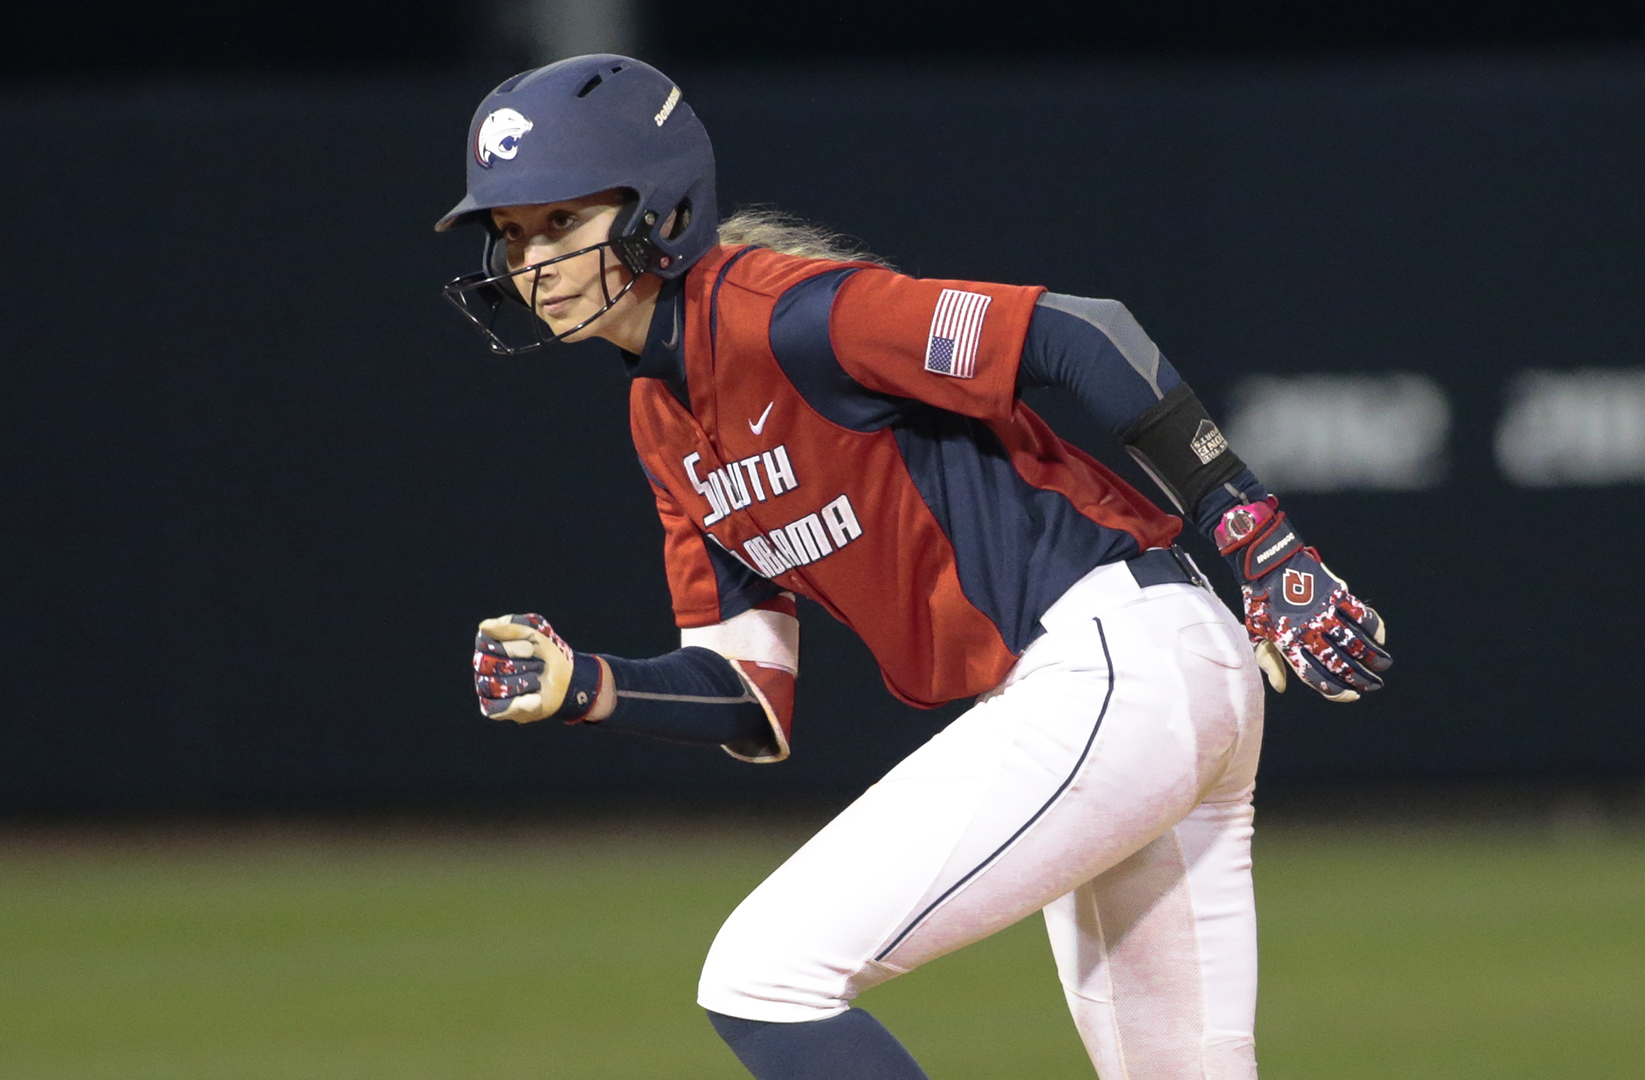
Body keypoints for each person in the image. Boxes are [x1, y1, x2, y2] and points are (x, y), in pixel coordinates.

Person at [439, 54, 1390, 1080]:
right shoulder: (660, 418)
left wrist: (1264, 542)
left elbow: (1084, 335)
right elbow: (749, 695)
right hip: (1141, 688)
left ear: (659, 210)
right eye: (514, 233)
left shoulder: (785, 314)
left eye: (561, 223)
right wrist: (586, 686)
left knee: (763, 975)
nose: (532, 261)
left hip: (1115, 663)